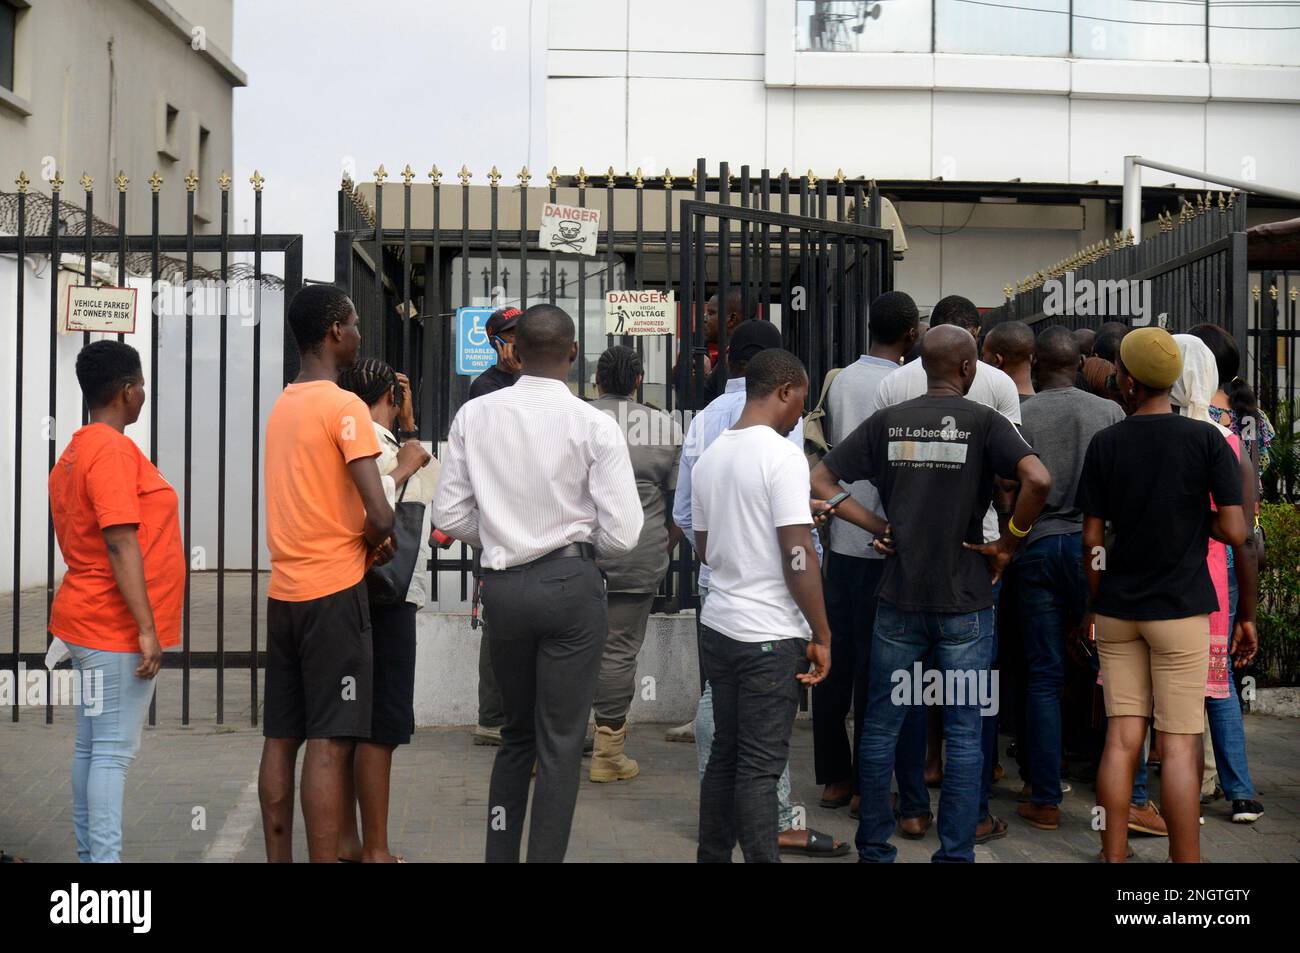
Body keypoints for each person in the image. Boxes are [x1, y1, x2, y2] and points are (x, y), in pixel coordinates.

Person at [813, 325, 1051, 863]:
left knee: (881, 724)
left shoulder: (888, 422)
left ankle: (874, 848)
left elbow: (821, 480)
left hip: (897, 597)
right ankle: (956, 854)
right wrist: (1008, 544)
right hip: (966, 599)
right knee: (966, 735)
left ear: (924, 368)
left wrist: (876, 522)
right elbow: (1037, 480)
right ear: (968, 369)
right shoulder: (986, 423)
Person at [432, 303, 644, 863]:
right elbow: (623, 536)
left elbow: (449, 517)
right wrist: (570, 541)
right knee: (560, 744)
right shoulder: (594, 424)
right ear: (574, 354)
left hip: (505, 591)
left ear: (515, 354)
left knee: (514, 739)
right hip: (570, 586)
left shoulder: (475, 416)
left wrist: (503, 535)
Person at [673, 318, 848, 857]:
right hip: (768, 636)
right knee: (759, 767)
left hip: (719, 626)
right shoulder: (781, 456)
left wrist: (786, 518)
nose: (803, 415)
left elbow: (704, 546)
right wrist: (822, 632)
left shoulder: (711, 455)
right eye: (801, 402)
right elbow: (798, 558)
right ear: (785, 391)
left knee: (725, 757)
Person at [1077, 326, 1247, 863]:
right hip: (1182, 610)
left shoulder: (1107, 442)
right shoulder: (1206, 440)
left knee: (1122, 738)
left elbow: (1092, 540)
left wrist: (1095, 602)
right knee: (1179, 742)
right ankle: (1185, 866)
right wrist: (1199, 520)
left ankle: (1113, 856)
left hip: (1120, 610)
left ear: (1126, 381)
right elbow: (1238, 532)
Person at [871, 294, 1024, 843]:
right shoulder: (998, 389)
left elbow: (876, 468)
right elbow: (1016, 477)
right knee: (970, 704)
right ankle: (973, 817)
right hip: (975, 560)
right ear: (970, 354)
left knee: (903, 696)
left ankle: (910, 809)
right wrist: (1008, 541)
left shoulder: (892, 387)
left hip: (906, 556)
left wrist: (884, 526)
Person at [259, 284, 395, 863]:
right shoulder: (346, 408)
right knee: (332, 742)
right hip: (335, 598)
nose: (361, 335)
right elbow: (382, 512)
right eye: (356, 324)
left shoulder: (284, 403)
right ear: (335, 332)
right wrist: (373, 541)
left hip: (283, 594)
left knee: (280, 737)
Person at [48, 340, 184, 863]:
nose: (144, 394)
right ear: (128, 392)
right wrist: (146, 630)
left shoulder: (79, 448)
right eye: (142, 386)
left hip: (88, 622)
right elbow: (119, 539)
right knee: (111, 754)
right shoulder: (108, 450)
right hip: (111, 628)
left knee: (91, 749)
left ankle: (92, 862)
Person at [814, 291, 922, 826]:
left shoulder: (838, 381)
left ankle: (836, 778)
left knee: (837, 657)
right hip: (892, 543)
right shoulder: (910, 385)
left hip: (842, 538)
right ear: (910, 334)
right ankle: (873, 787)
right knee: (884, 671)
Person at [1013, 327, 1124, 831]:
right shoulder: (1109, 413)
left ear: (1036, 363)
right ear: (1080, 364)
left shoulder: (1022, 415)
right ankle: (1127, 791)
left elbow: (1009, 486)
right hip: (1093, 552)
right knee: (1115, 674)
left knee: (1043, 675)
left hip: (1036, 548)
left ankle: (1044, 797)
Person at [335, 359, 437, 862]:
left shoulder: (366, 439)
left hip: (361, 597)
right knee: (382, 727)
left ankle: (350, 842)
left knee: (357, 725)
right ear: (391, 397)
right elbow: (379, 508)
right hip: (388, 601)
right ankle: (375, 849)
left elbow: (431, 485)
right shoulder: (378, 447)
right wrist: (409, 455)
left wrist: (411, 431)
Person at [1169, 334, 1264, 826]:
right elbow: (1243, 534)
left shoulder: (1148, 432)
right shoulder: (1226, 438)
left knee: (1164, 691)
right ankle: (1241, 793)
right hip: (1214, 570)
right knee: (1217, 682)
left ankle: (1164, 796)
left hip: (1163, 573)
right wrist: (1247, 615)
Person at [589, 345, 683, 782]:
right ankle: (608, 754)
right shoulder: (663, 427)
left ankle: (545, 745)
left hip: (576, 554)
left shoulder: (577, 418)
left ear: (597, 380)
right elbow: (680, 505)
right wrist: (663, 543)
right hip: (638, 552)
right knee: (619, 651)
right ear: (639, 379)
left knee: (560, 648)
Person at [467, 306, 522, 746]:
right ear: (496, 342)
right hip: (495, 518)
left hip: (533, 515)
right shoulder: (484, 387)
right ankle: (491, 715)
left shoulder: (539, 380)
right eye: (511, 335)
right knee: (498, 619)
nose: (519, 341)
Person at [673, 289, 751, 409]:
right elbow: (684, 406)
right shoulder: (697, 349)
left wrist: (705, 377)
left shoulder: (745, 359)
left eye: (711, 313)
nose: (704, 318)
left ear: (731, 319)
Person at [469, 306, 524, 399]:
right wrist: (519, 374)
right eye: (513, 334)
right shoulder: (485, 385)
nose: (522, 339)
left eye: (524, 332)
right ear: (496, 341)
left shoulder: (539, 371)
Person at [982, 321, 1035, 400]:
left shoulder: (987, 409)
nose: (981, 362)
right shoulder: (1051, 407)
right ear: (1031, 358)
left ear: (997, 361)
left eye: (983, 355)